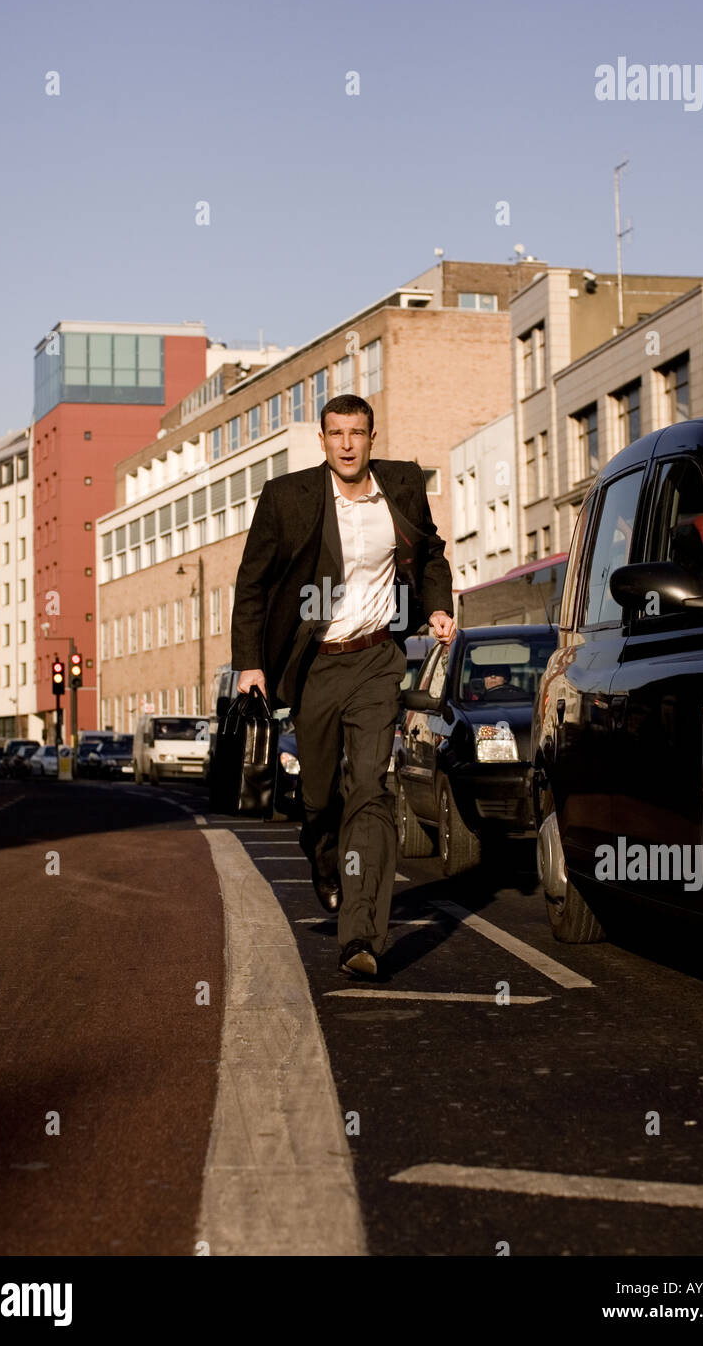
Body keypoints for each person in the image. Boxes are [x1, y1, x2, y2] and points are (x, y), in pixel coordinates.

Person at [231, 394, 455, 977]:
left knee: (371, 791)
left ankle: (361, 936)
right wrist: (249, 663)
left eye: (358, 433)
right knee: (320, 796)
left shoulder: (402, 486)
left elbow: (430, 552)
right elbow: (252, 583)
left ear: (371, 438)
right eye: (336, 434)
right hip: (316, 664)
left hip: (379, 659)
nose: (348, 444)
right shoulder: (289, 497)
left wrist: (434, 607)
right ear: (324, 441)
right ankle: (324, 853)